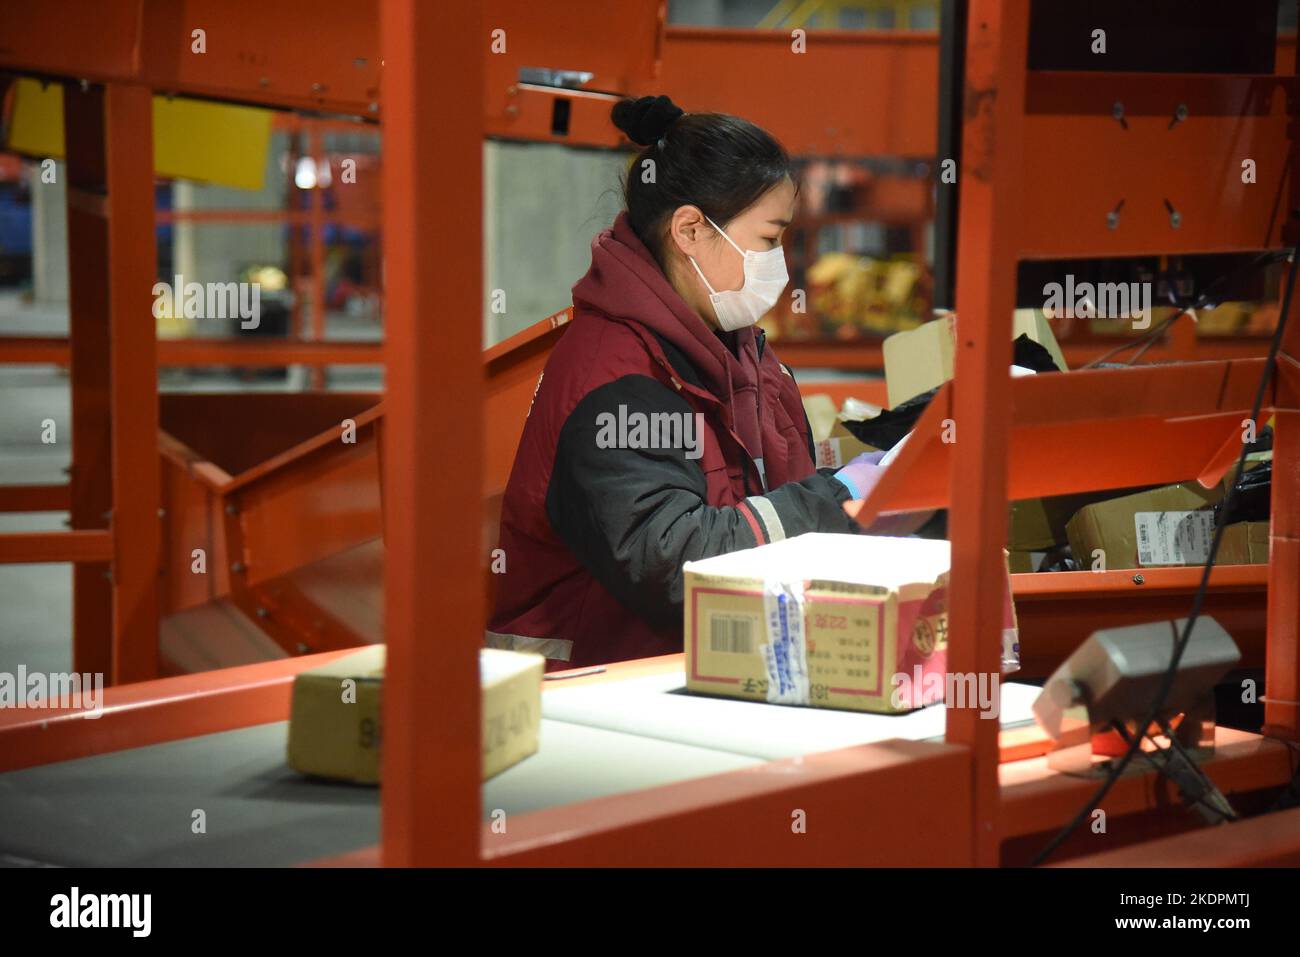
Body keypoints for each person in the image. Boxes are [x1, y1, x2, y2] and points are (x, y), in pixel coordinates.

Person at [487, 94, 897, 669]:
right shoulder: (618, 373)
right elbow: (675, 565)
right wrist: (839, 500)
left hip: (706, 670)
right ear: (690, 230)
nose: (779, 263)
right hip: (590, 696)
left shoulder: (742, 356)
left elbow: (772, 496)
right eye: (768, 239)